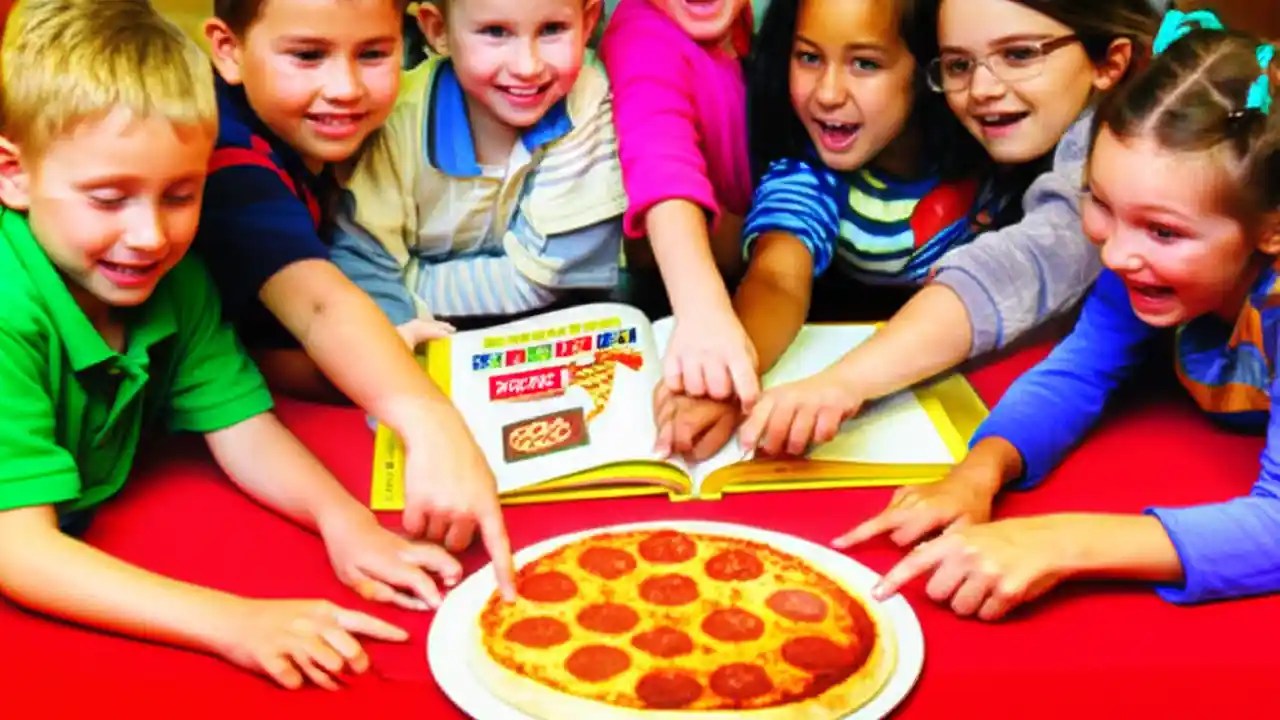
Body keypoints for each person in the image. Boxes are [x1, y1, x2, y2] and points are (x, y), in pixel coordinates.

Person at [0, 0, 465, 689]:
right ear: (14, 174)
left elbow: (244, 427)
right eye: (108, 198)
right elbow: (17, 548)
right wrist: (233, 623)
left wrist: (346, 521)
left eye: (180, 195)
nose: (151, 235)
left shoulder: (176, 278)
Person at [848, 11, 1280, 618]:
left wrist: (1059, 542)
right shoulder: (1136, 260)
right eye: (1101, 204)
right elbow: (1079, 370)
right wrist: (980, 470)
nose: (1118, 251)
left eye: (1163, 230)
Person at [739, 0, 1157, 458]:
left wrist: (843, 384)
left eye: (1018, 55)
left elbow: (1029, 261)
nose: (981, 88)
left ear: (1109, 62)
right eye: (959, 64)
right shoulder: (1002, 140)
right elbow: (777, 274)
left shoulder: (1128, 147)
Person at [198, 0, 514, 593]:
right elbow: (314, 308)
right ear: (227, 50)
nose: (344, 88)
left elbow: (244, 347)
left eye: (373, 54)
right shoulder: (226, 154)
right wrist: (432, 423)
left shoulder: (309, 129)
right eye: (307, 56)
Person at [654, 0, 992, 461]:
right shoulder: (809, 177)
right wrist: (726, 377)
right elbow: (777, 278)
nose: (828, 93)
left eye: (865, 64)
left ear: (931, 68)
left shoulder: (993, 152)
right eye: (809, 57)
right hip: (888, 412)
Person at [331, 0, 627, 326]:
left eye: (552, 29)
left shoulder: (586, 99)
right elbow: (364, 270)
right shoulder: (395, 121)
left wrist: (406, 286)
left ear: (587, 22)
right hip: (408, 331)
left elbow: (552, 273)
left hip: (561, 323)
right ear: (438, 30)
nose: (527, 67)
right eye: (495, 32)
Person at [599, 0, 761, 410]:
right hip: (681, 292)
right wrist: (702, 311)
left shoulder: (735, 26)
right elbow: (661, 160)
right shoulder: (641, 34)